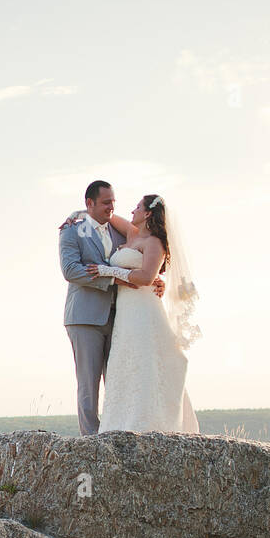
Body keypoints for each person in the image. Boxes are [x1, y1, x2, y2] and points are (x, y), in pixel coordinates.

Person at [60, 192, 200, 434]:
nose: (129, 209)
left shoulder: (153, 241)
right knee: (106, 374)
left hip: (138, 310)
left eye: (137, 207)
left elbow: (145, 275)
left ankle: (146, 421)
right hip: (114, 312)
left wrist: (109, 272)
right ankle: (97, 435)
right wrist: (77, 214)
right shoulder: (131, 233)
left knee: (141, 363)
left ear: (147, 213)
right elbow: (105, 219)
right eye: (107, 202)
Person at [57, 180, 164, 435]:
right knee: (88, 385)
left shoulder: (120, 231)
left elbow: (141, 260)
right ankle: (91, 442)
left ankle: (117, 433)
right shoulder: (72, 230)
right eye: (105, 203)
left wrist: (156, 281)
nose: (111, 208)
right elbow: (71, 270)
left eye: (113, 202)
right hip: (85, 316)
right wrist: (112, 277)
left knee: (118, 381)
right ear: (89, 203)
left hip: (120, 316)